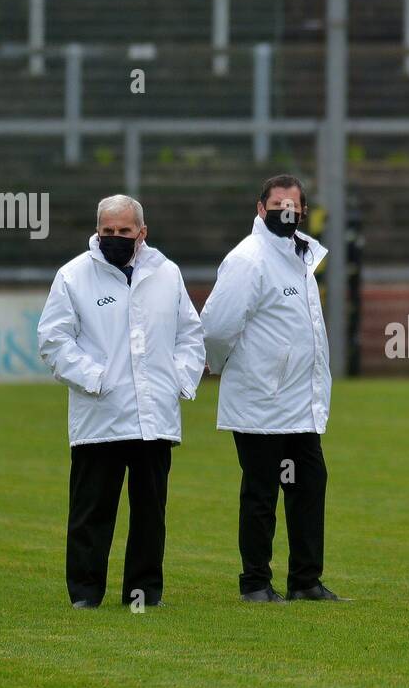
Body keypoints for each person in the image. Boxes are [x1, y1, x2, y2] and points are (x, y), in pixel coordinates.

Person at [37, 194, 205, 608]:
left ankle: (144, 592)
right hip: (101, 415)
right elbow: (53, 341)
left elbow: (190, 335)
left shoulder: (167, 273)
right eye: (107, 231)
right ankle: (85, 593)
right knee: (92, 512)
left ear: (141, 233)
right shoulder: (74, 276)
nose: (115, 238)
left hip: (155, 415)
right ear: (97, 231)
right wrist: (96, 379)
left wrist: (179, 381)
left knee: (151, 514)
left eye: (124, 231)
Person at [200, 175, 339, 604]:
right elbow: (217, 327)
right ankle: (255, 583)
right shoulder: (249, 259)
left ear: (303, 211)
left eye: (293, 206)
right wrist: (226, 369)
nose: (286, 212)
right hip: (262, 401)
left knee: (308, 487)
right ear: (261, 209)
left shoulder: (300, 256)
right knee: (261, 493)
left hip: (300, 404)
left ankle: (305, 581)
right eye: (277, 204)